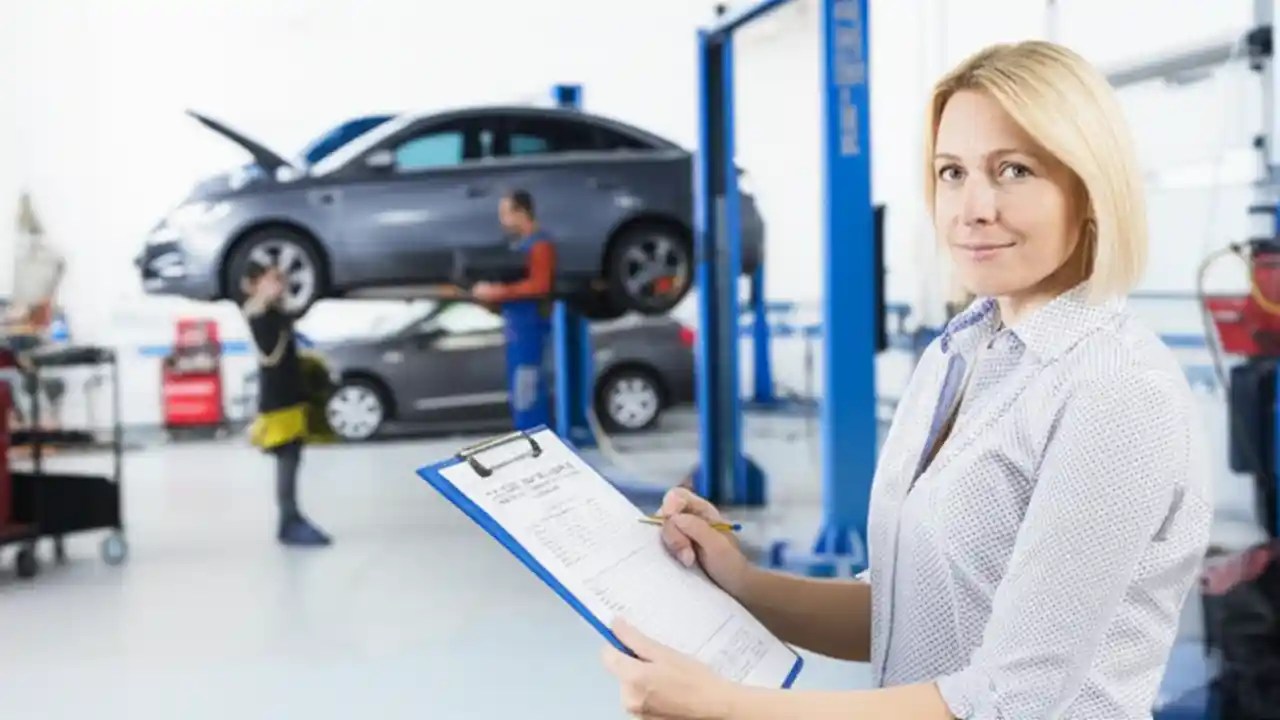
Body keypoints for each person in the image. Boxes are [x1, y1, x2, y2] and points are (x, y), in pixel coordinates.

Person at [600, 40, 1213, 719]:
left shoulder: (1116, 391)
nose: (972, 208)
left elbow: (1013, 699)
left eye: (1013, 170)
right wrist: (742, 583)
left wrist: (727, 707)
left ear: (1091, 189)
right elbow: (905, 612)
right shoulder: (959, 353)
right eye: (952, 172)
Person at [241, 260, 332, 547]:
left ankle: (290, 518)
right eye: (270, 280)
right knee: (287, 459)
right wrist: (267, 297)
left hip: (291, 397)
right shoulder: (258, 314)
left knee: (292, 458)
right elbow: (269, 349)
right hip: (278, 402)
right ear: (253, 285)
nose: (278, 285)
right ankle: (289, 520)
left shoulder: (277, 313)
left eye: (279, 280)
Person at [472, 190, 556, 431]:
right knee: (520, 393)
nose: (502, 220)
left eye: (505, 213)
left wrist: (497, 292)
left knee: (528, 392)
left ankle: (537, 439)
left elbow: (540, 285)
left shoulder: (540, 245)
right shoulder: (517, 247)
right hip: (516, 331)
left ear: (521, 212)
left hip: (530, 333)